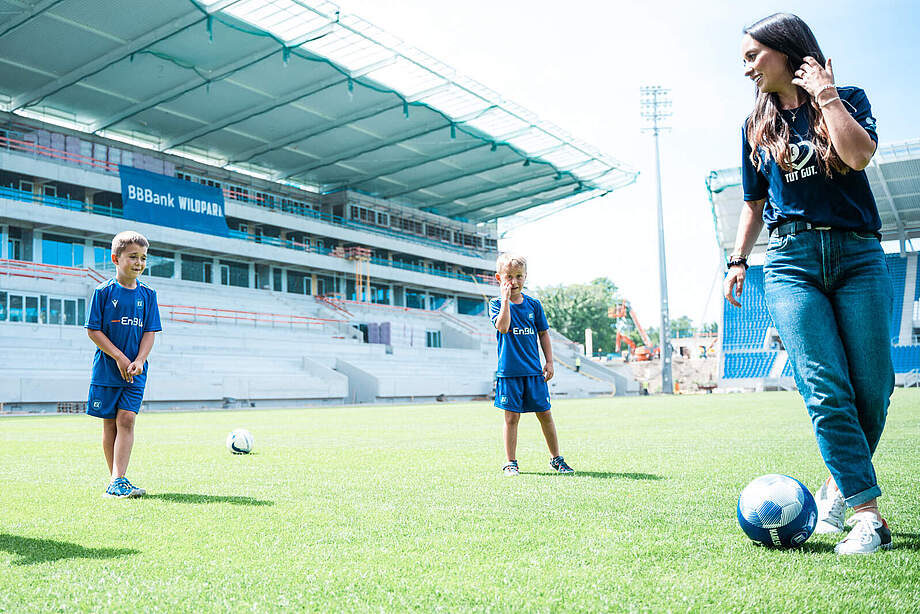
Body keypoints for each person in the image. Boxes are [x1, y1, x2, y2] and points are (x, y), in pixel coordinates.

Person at [725, 13, 893, 554]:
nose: (746, 67)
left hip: (860, 256)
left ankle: (835, 489)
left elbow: (858, 155)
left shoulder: (848, 97)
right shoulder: (753, 126)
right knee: (826, 389)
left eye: (753, 55)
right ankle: (868, 516)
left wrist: (824, 95)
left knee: (874, 389)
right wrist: (737, 261)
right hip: (790, 262)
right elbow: (753, 204)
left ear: (786, 51)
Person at [85, 231, 162, 498]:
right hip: (108, 369)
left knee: (127, 419)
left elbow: (150, 332)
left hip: (136, 371)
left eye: (143, 258)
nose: (139, 263)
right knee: (110, 424)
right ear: (116, 259)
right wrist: (119, 356)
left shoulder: (149, 294)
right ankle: (116, 481)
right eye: (133, 257)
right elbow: (93, 330)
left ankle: (118, 479)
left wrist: (139, 360)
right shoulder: (103, 292)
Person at [490, 253, 573, 476]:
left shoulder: (534, 305)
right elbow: (504, 327)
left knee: (545, 414)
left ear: (526, 277)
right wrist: (506, 300)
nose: (514, 282)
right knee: (511, 418)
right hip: (509, 373)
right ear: (499, 278)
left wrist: (550, 362)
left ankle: (556, 459)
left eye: (519, 276)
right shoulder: (496, 304)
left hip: (534, 372)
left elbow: (544, 333)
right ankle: (510, 462)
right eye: (509, 277)